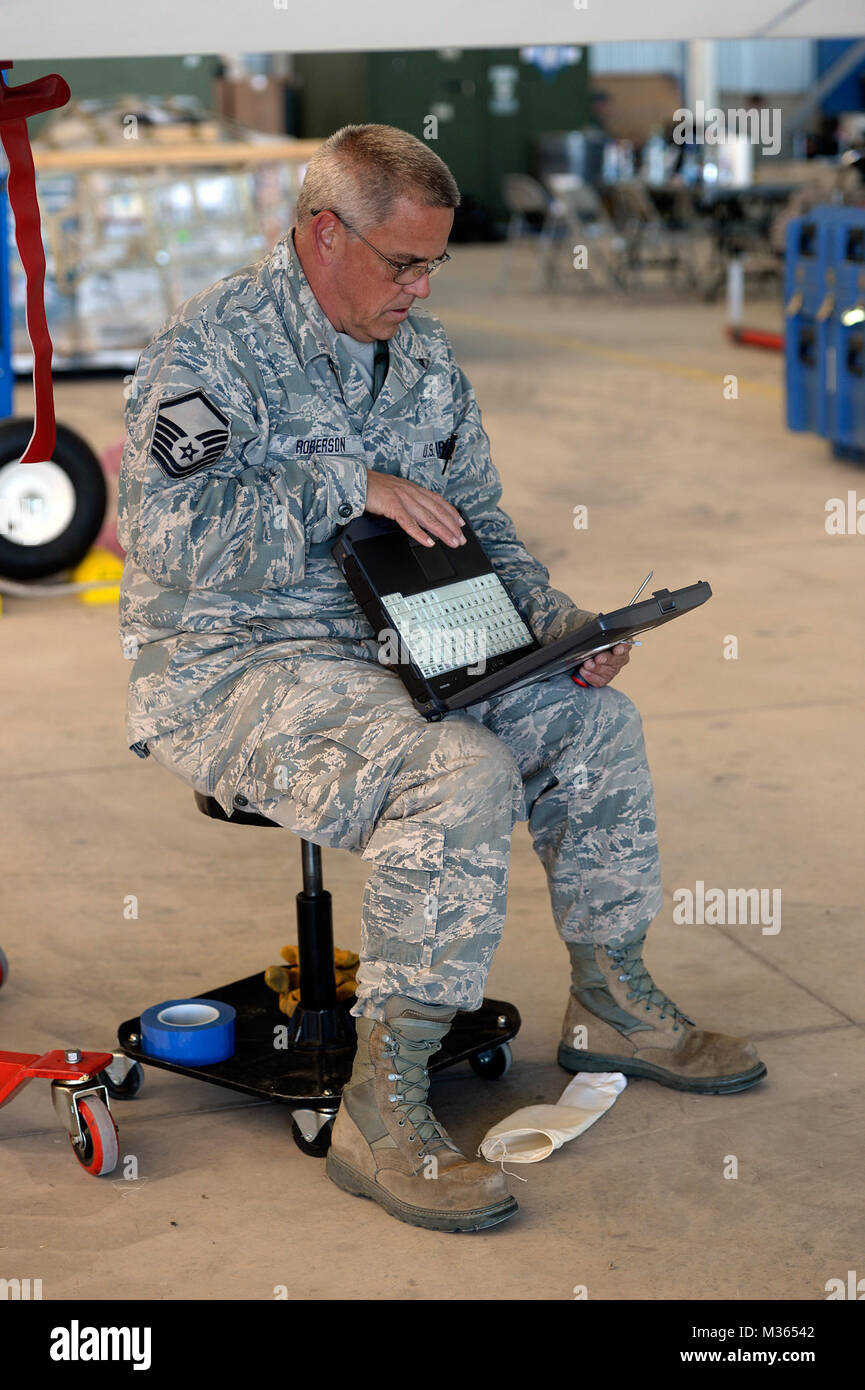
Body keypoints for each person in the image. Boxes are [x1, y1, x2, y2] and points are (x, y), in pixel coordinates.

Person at [117, 123, 766, 1234]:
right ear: (325, 235)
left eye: (433, 266)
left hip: (415, 631)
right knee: (456, 772)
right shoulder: (213, 347)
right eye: (399, 262)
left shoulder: (419, 355)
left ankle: (609, 1001)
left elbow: (483, 528)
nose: (418, 288)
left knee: (592, 722)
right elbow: (166, 537)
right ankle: (385, 1102)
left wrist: (559, 630)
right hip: (237, 659)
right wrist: (347, 482)